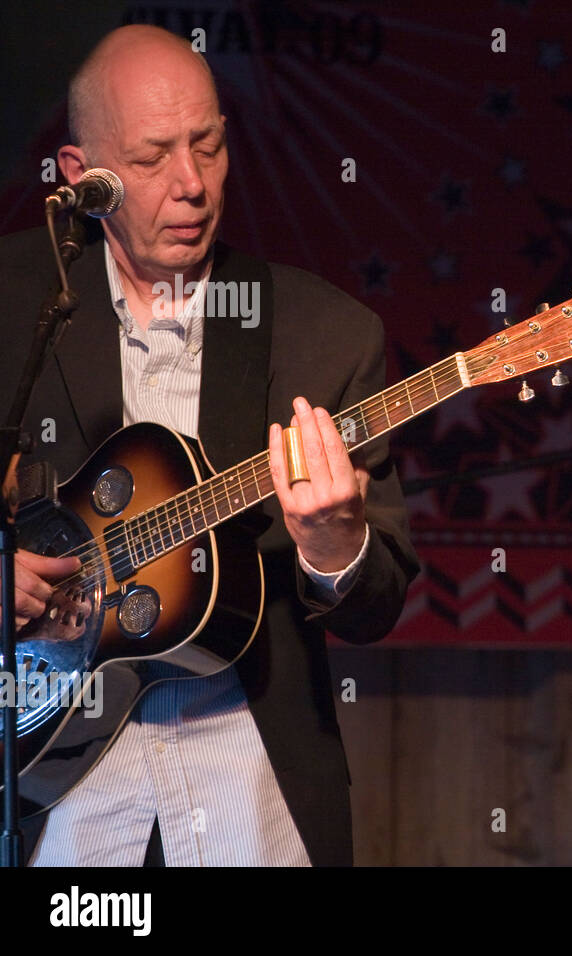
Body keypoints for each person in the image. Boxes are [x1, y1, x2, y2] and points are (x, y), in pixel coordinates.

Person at [0, 25, 418, 865]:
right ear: (85, 179)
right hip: (56, 805)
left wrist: (337, 546)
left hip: (250, 805)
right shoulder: (15, 307)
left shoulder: (324, 335)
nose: (193, 184)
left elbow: (379, 603)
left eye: (211, 146)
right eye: (153, 159)